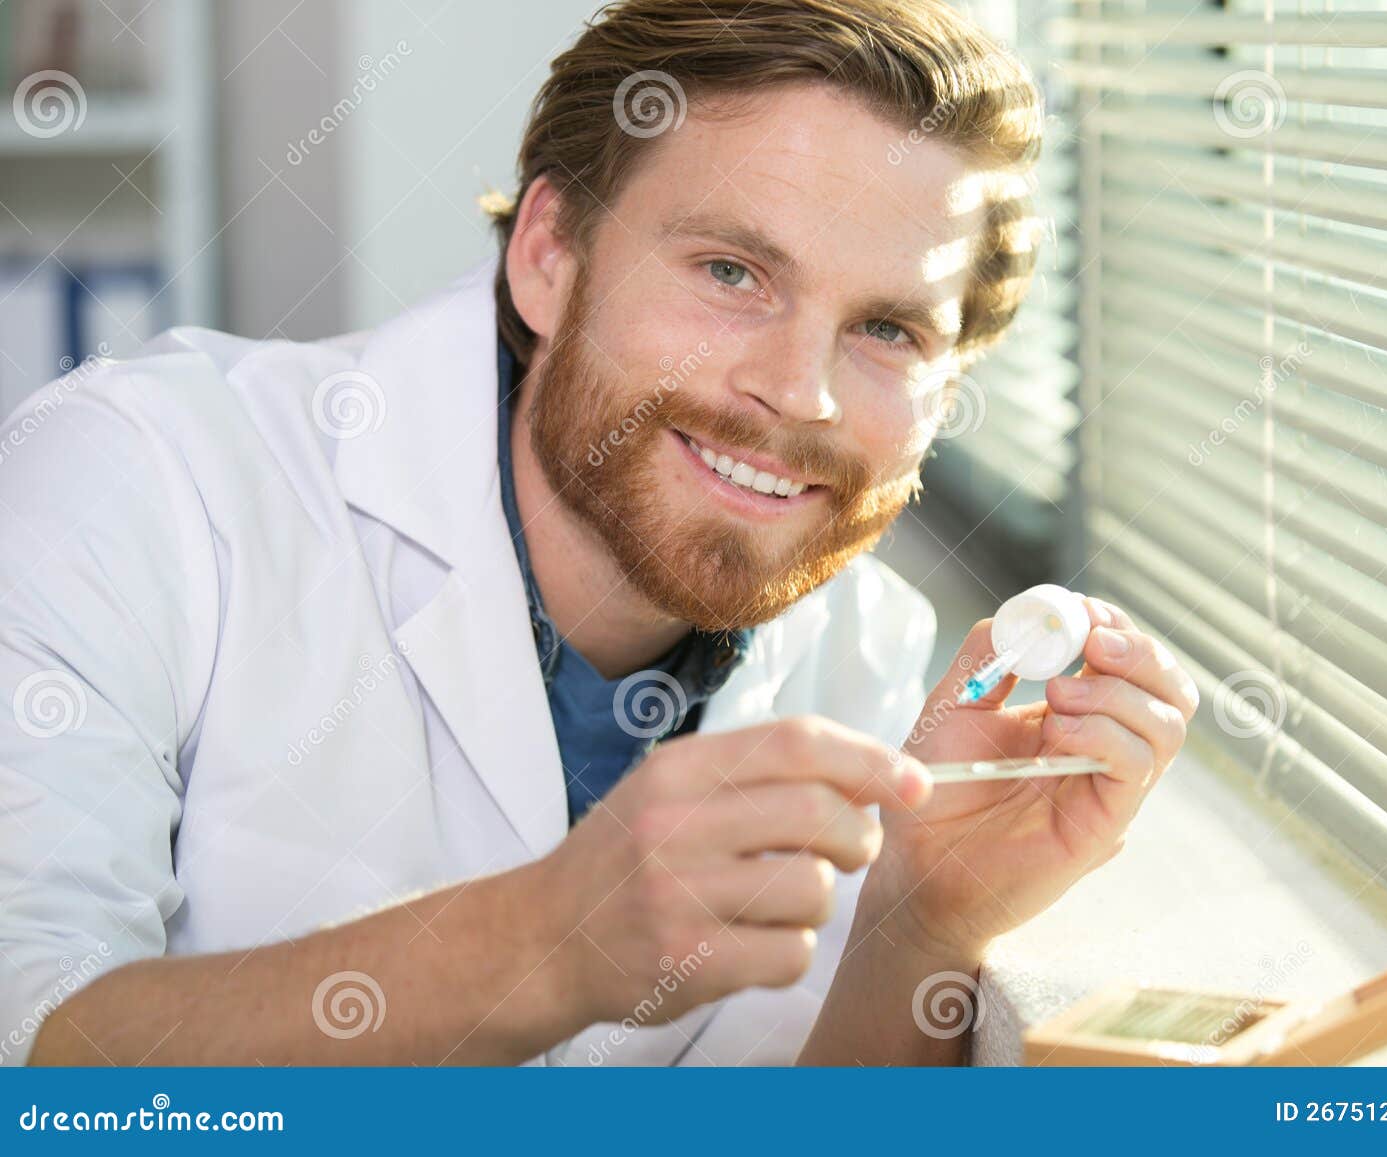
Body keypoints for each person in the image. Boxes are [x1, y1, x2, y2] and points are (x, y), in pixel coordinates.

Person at [0, 0, 1197, 1067]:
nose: (803, 393)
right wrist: (544, 939)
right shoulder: (137, 476)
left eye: (887, 329)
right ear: (548, 257)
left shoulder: (872, 658)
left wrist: (919, 920)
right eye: (732, 271)